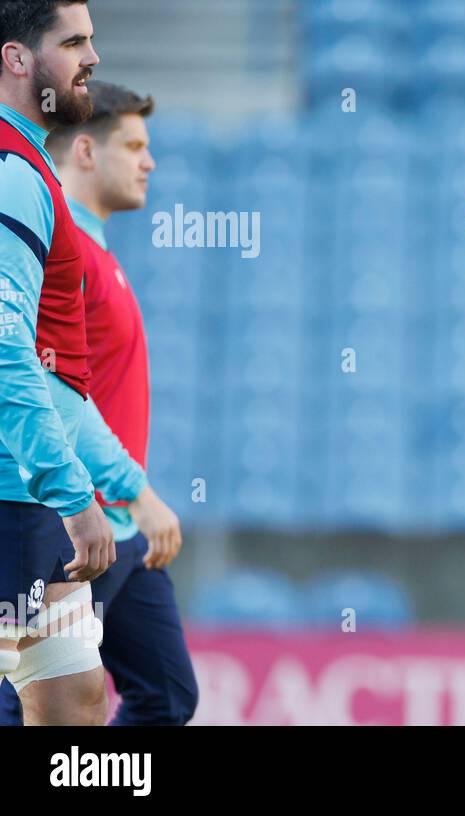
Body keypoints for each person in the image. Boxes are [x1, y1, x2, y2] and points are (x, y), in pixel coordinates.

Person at [0, 80, 196, 725]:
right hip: (75, 518)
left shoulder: (94, 254)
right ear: (84, 150)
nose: (150, 162)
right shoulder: (65, 253)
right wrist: (135, 489)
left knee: (164, 698)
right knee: (40, 700)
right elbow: (45, 386)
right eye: (134, 145)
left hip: (119, 525)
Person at [0, 0, 115, 725]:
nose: (92, 58)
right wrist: (71, 494)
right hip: (15, 495)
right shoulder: (13, 173)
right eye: (73, 42)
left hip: (30, 497)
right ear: (16, 59)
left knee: (75, 703)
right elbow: (5, 343)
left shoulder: (28, 162)